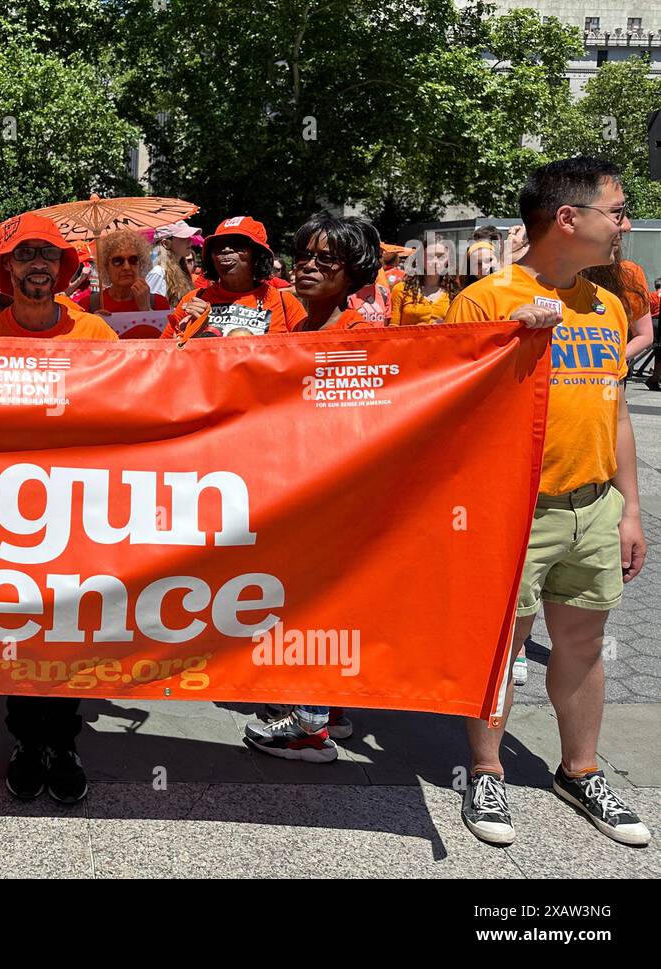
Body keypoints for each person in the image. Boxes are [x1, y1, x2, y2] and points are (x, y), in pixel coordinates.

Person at [447, 156, 649, 848]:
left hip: (593, 507)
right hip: (513, 508)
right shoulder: (487, 301)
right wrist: (513, 351)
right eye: (616, 210)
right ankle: (483, 768)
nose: (625, 223)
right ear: (569, 219)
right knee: (501, 647)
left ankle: (579, 770)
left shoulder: (610, 303)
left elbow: (616, 409)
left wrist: (629, 508)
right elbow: (451, 416)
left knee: (584, 646)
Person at [0, 212, 117, 804]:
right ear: (5, 269)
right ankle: (27, 741)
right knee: (20, 631)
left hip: (77, 512)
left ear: (62, 268)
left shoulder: (96, 337)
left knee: (66, 630)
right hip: (3, 520)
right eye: (24, 255)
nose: (37, 265)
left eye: (47, 255)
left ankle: (63, 740)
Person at [241, 214, 381, 761]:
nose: (309, 267)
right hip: (300, 491)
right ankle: (328, 710)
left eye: (327, 260)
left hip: (339, 497)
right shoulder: (299, 330)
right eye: (303, 256)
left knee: (322, 607)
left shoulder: (362, 335)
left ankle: (310, 730)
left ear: (354, 273)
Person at [160, 216, 305, 339]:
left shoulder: (285, 304)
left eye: (237, 245)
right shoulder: (193, 301)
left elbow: (307, 355)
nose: (226, 250)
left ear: (257, 255)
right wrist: (185, 335)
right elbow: (161, 357)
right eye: (218, 246)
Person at [583, 238, 652, 361]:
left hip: (611, 371)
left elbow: (644, 335)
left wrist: (611, 360)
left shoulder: (628, 274)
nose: (626, 226)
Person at [389, 240, 462, 326]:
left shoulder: (455, 293)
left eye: (441, 256)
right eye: (430, 256)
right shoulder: (401, 290)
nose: (435, 261)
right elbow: (392, 328)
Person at [95, 228, 168, 313]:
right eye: (118, 261)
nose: (127, 267)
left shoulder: (158, 303)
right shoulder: (91, 305)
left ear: (141, 263)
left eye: (133, 260)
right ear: (105, 266)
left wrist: (146, 309)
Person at [149, 221, 199, 303]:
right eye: (183, 238)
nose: (190, 241)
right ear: (165, 243)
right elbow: (151, 311)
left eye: (190, 237)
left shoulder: (182, 270)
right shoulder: (158, 273)